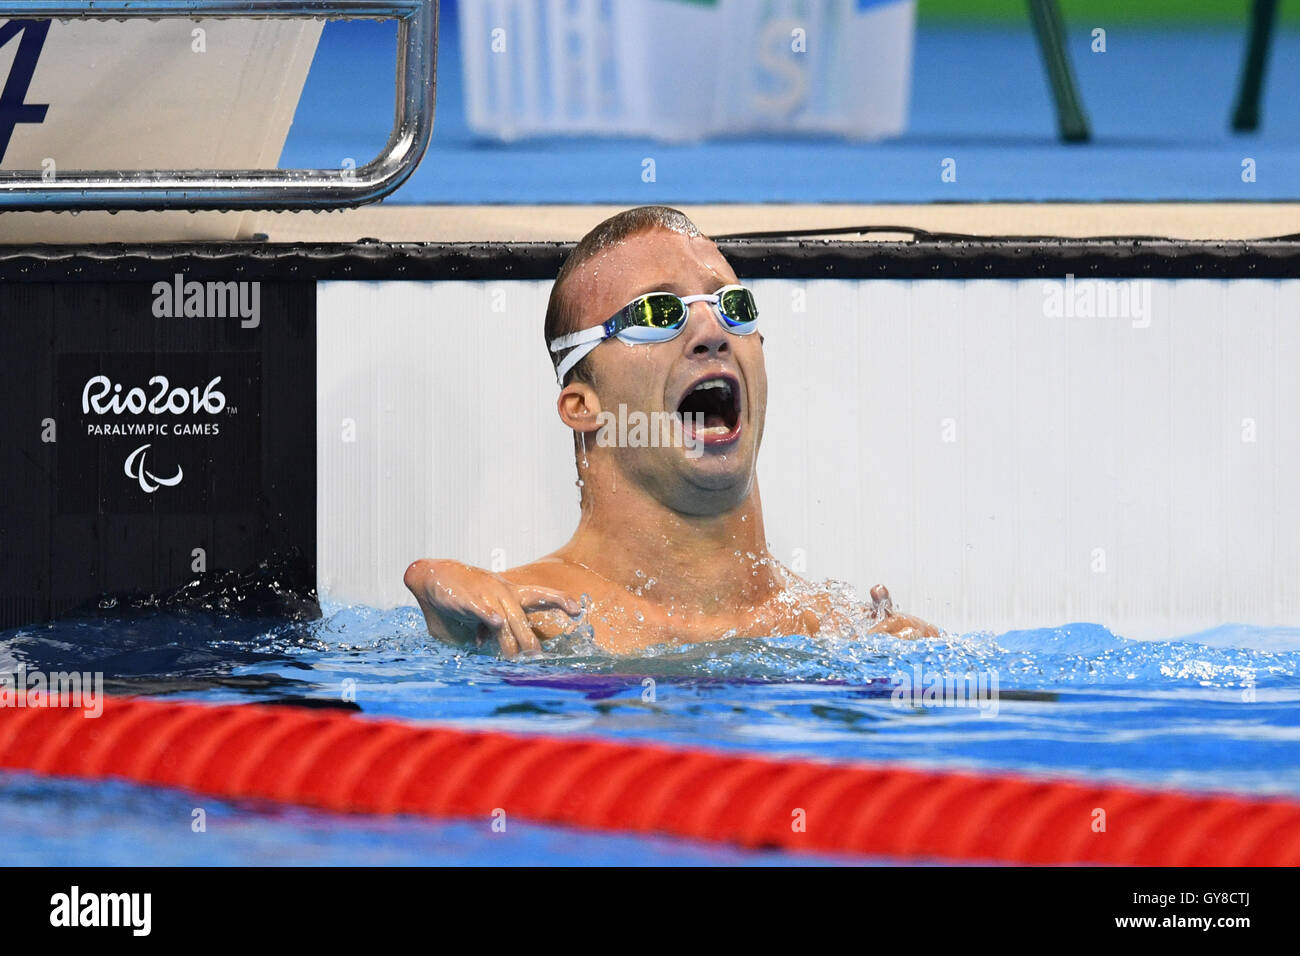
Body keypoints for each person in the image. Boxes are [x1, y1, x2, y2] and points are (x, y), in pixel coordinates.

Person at [405, 206, 939, 656]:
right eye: (658, 313)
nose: (712, 332)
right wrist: (447, 609)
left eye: (733, 307)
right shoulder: (526, 620)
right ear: (582, 405)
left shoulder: (841, 635)